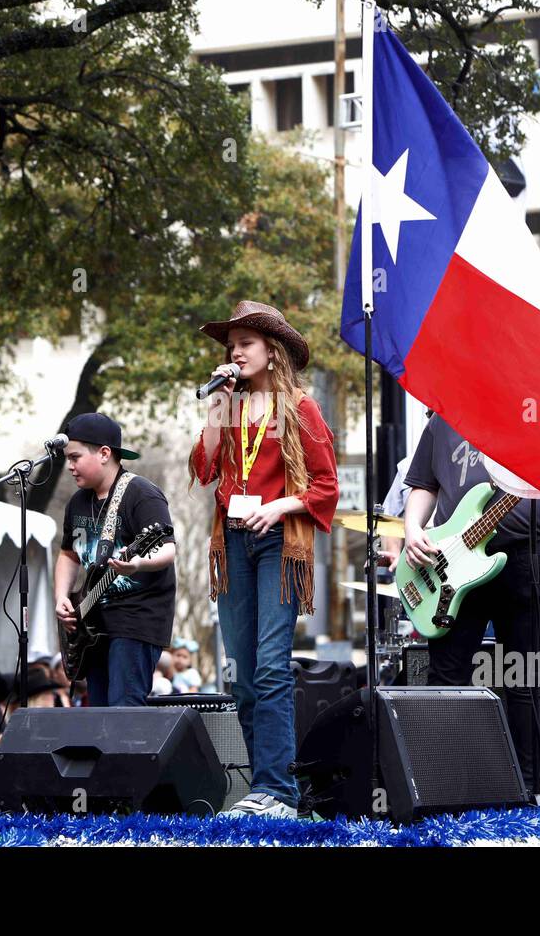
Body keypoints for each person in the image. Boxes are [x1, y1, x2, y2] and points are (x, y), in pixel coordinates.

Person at [189, 301, 338, 819]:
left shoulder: (301, 406)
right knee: (243, 674)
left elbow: (326, 486)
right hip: (231, 543)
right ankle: (262, 790)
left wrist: (278, 506)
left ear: (272, 352)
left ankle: (279, 792)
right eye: (231, 345)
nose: (234, 351)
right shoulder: (228, 407)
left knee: (272, 666)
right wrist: (215, 410)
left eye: (245, 343)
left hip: (278, 542)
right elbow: (205, 470)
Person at [401, 409, 540, 798]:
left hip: (526, 558)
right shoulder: (443, 418)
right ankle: (443, 791)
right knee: (445, 678)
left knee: (526, 677)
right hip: (453, 561)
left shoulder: (535, 414)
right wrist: (411, 529)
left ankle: (528, 794)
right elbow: (424, 482)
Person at [55, 412, 178, 708]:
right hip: (93, 622)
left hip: (136, 617)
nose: (69, 466)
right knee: (98, 710)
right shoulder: (78, 502)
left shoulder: (141, 494)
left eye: (75, 457)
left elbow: (167, 549)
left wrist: (138, 564)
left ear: (104, 454)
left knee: (125, 707)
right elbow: (68, 553)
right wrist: (61, 596)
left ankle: (126, 757)